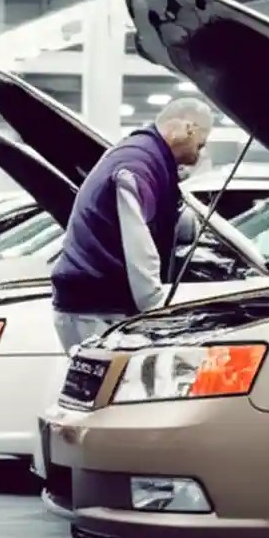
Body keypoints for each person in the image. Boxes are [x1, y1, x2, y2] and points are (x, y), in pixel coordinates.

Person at [50, 97, 213, 352]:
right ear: (188, 129)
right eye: (200, 145)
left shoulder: (145, 156)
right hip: (95, 310)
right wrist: (157, 309)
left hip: (90, 303)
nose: (197, 156)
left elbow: (165, 222)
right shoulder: (136, 167)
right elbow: (138, 243)